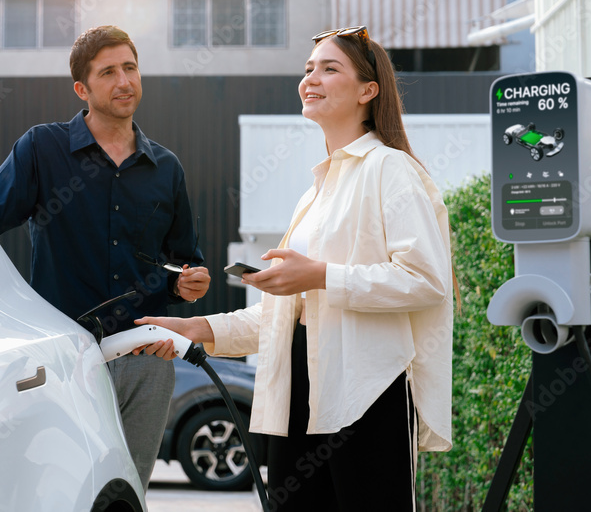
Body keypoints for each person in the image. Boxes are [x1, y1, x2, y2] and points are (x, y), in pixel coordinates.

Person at [137, 26, 455, 510]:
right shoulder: (315, 193)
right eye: (308, 69)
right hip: (298, 390)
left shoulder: (390, 169)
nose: (311, 78)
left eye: (330, 69)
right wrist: (190, 326)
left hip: (369, 390)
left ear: (368, 91)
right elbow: (282, 316)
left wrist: (320, 275)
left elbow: (426, 281)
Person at [0, 25, 210, 488]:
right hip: (65, 357)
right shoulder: (43, 149)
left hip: (148, 357)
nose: (124, 81)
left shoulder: (167, 168)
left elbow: (183, 262)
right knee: (61, 488)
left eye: (130, 67)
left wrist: (187, 282)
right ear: (82, 89)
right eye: (108, 72)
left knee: (129, 489)